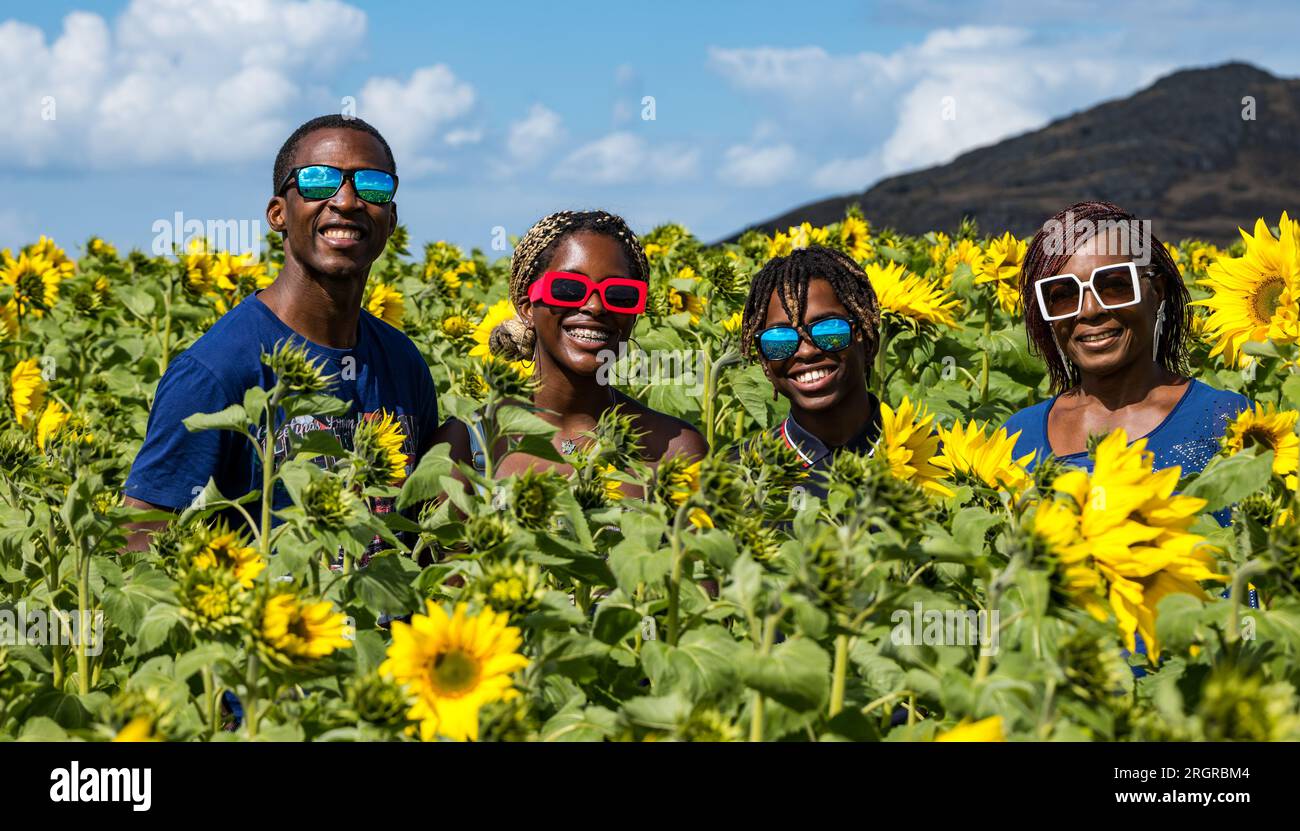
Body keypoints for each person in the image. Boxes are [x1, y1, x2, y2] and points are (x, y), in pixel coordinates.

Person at [123, 114, 440, 554]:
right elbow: (140, 540)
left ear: (391, 219)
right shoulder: (218, 370)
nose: (346, 200)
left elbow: (420, 527)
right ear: (278, 213)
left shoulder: (403, 363)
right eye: (316, 181)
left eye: (373, 185)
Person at [1002, 200, 1256, 617]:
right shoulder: (1018, 437)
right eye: (1062, 295)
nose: (1090, 310)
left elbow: (1252, 584)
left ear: (1155, 293)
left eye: (1115, 285)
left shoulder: (1225, 421)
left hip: (1185, 670)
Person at [443, 210, 706, 490]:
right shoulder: (464, 445)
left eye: (619, 294)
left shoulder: (674, 451)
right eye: (568, 289)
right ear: (528, 308)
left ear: (633, 316)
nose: (595, 306)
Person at [737, 245, 883, 497]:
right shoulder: (740, 479)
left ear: (869, 343)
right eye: (779, 339)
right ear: (765, 364)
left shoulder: (935, 459)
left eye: (829, 330)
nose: (805, 351)